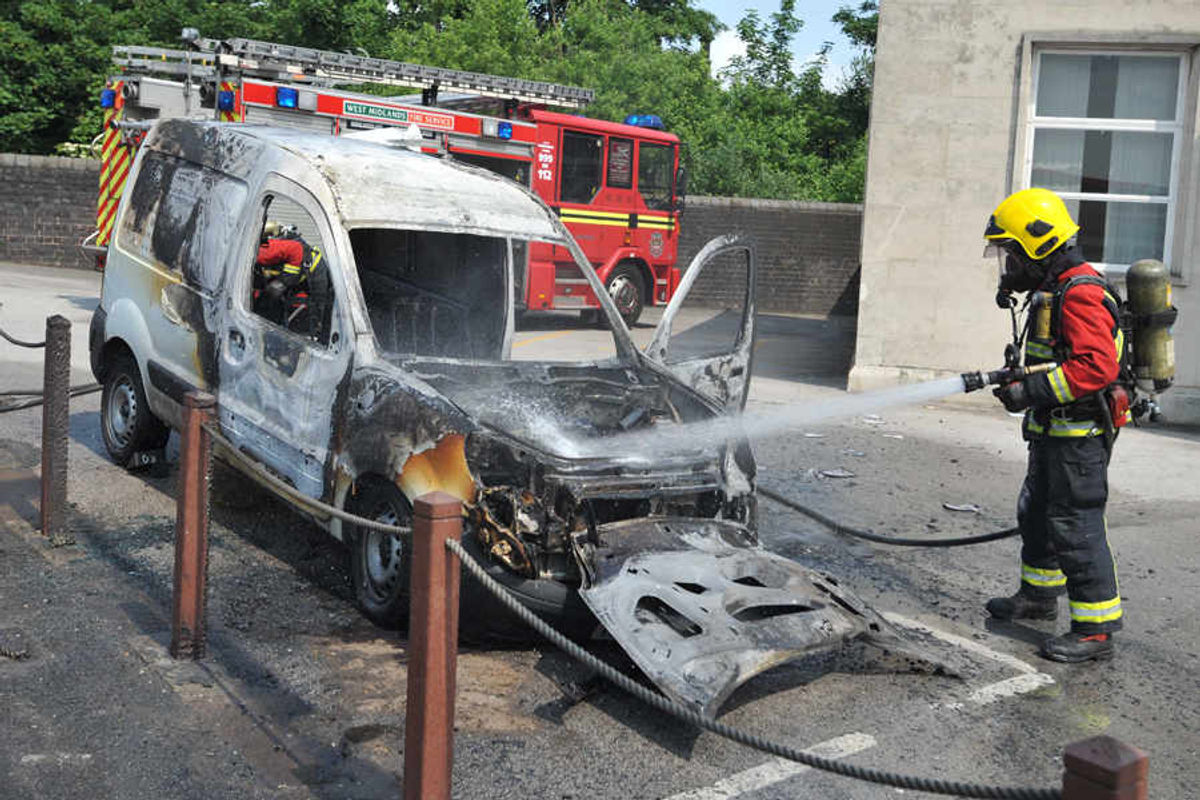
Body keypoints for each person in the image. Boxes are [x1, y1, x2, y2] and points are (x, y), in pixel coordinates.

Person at [982, 188, 1124, 663]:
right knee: (1037, 513)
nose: (1009, 265)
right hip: (1052, 433)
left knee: (1075, 524)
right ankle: (1039, 597)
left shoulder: (1080, 292)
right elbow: (1055, 361)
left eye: (1013, 253)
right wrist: (1021, 381)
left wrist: (1030, 394)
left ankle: (1095, 629)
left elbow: (1095, 368)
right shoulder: (1052, 290)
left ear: (1038, 245)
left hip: (1079, 438)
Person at [254, 221, 329, 339]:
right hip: (300, 276)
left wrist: (283, 281)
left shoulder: (259, 252)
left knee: (316, 317)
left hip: (314, 271)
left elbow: (296, 249)